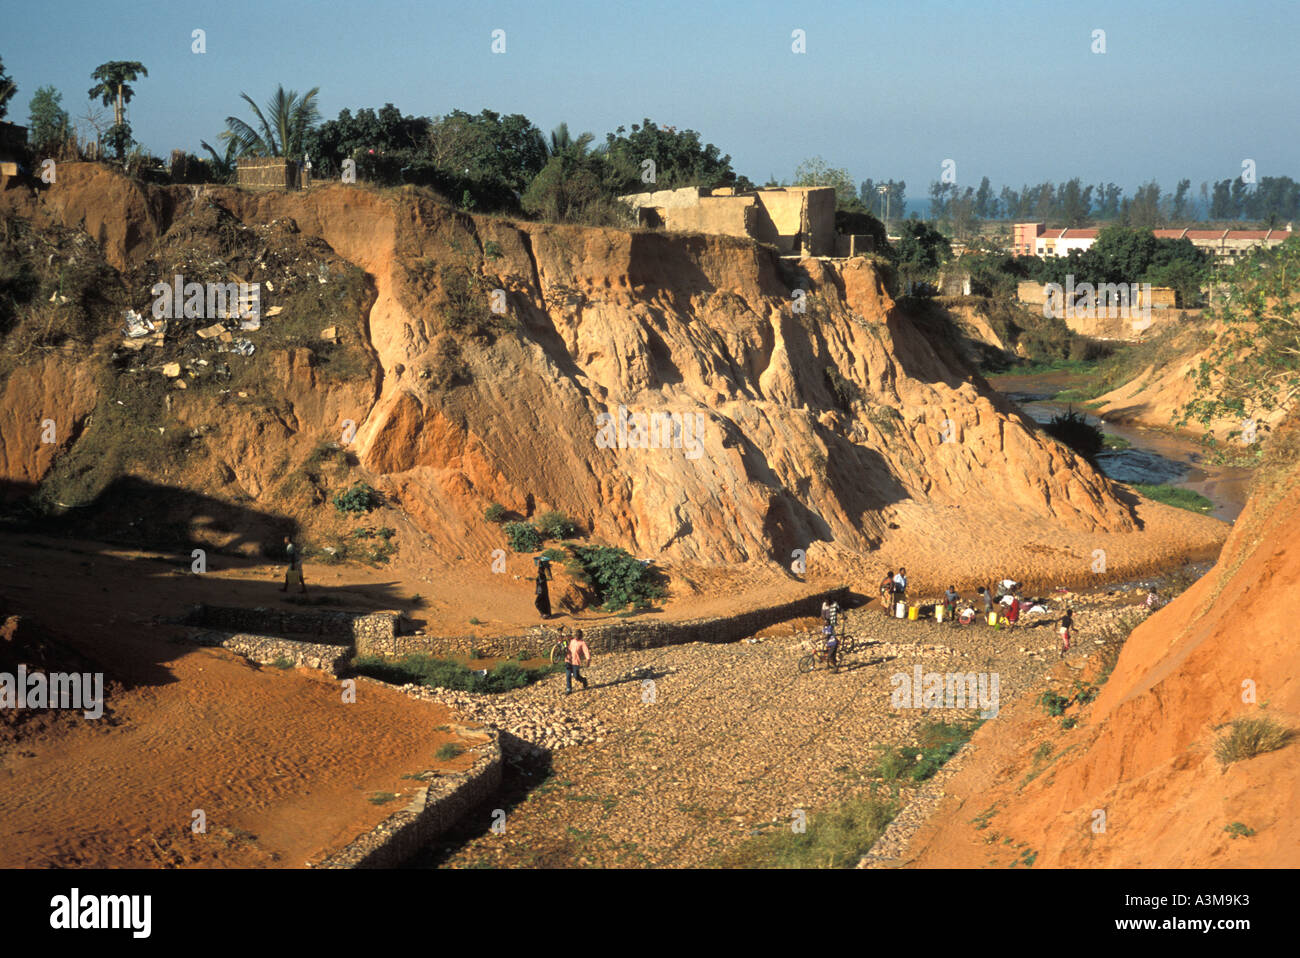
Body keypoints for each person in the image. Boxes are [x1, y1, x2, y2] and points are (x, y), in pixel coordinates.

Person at [564, 628, 591, 694]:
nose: (576, 636)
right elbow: (569, 649)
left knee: (576, 676)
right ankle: (569, 689)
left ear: (580, 636)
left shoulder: (582, 643)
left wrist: (588, 661)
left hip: (576, 662)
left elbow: (586, 652)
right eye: (576, 635)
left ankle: (583, 680)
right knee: (568, 675)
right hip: (569, 660)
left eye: (578, 635)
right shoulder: (572, 641)